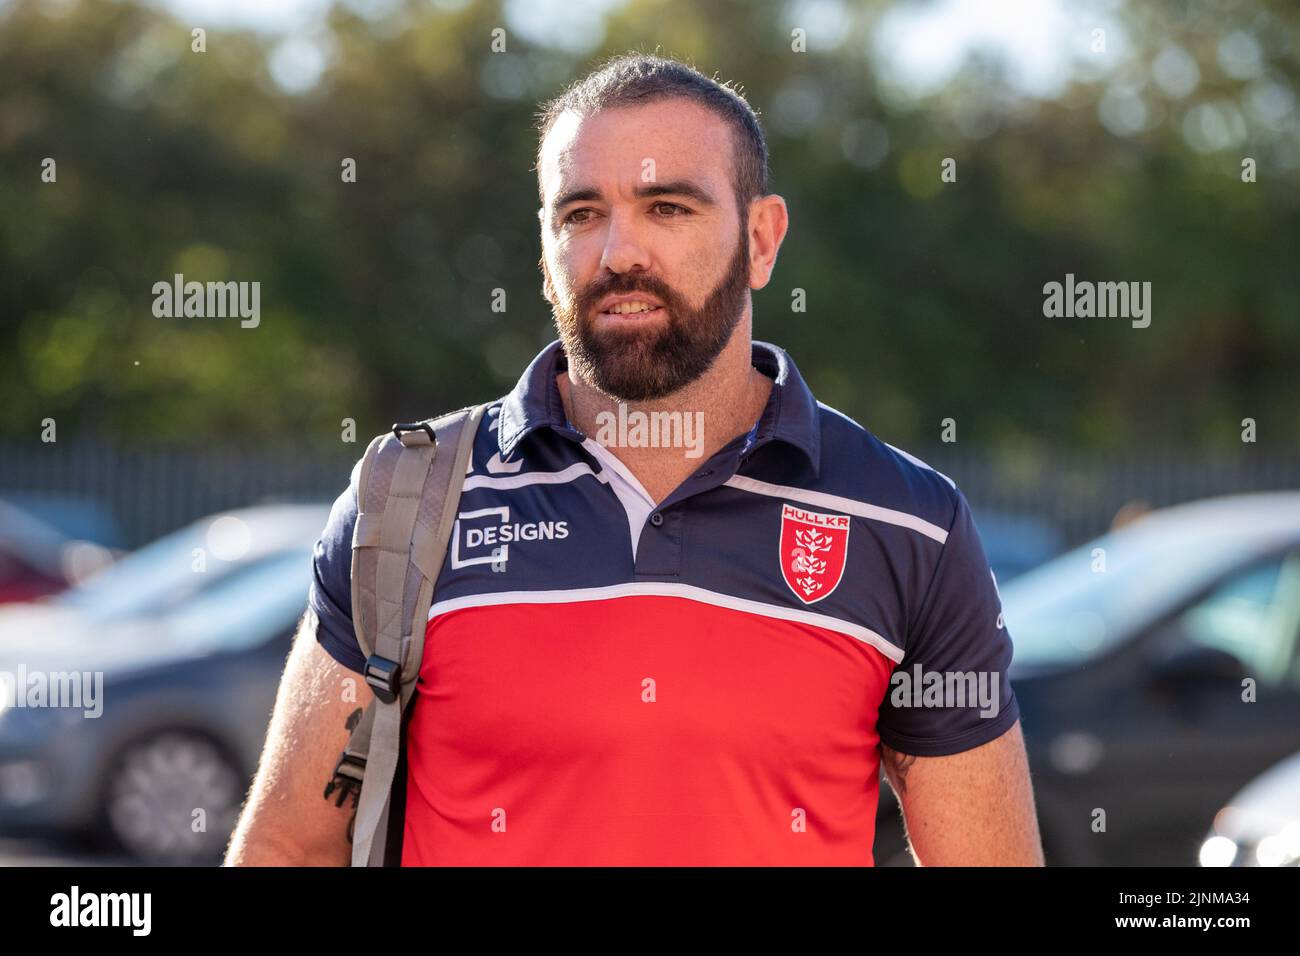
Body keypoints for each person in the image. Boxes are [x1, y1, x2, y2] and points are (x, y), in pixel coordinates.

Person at [225, 52, 1043, 866]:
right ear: (544, 252)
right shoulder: (410, 501)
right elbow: (286, 851)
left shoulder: (909, 524)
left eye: (668, 207)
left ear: (761, 239)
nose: (619, 252)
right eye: (580, 214)